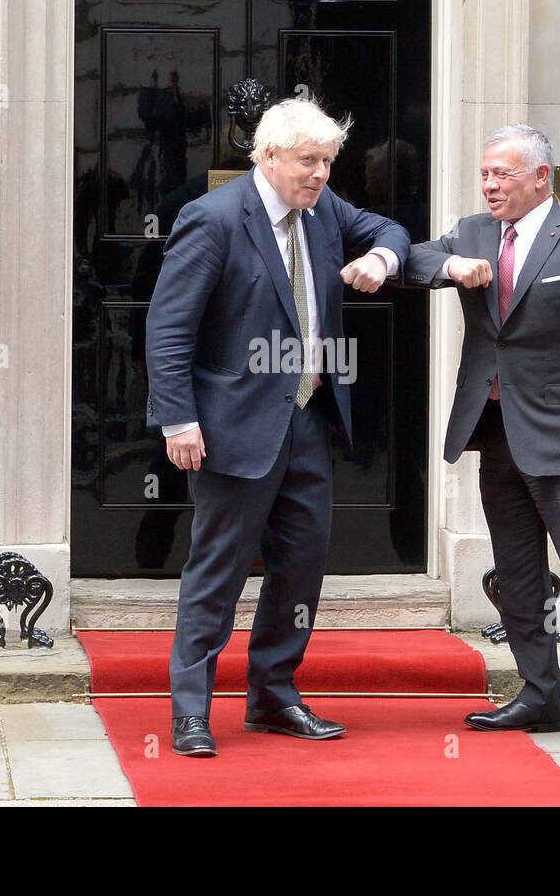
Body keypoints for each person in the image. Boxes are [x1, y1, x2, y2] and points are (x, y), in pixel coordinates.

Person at [145, 99, 410, 757]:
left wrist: (380, 258)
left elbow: (391, 230)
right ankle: (191, 712)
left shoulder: (323, 213)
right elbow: (168, 327)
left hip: (307, 421)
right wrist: (178, 418)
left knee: (301, 567)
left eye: (327, 161)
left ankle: (273, 693)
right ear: (267, 157)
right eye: (308, 161)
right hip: (231, 426)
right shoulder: (211, 219)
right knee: (217, 572)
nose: (321, 174)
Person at [403, 123, 560, 747]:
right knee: (518, 573)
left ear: (540, 177)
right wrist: (452, 263)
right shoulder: (471, 232)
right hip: (495, 434)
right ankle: (539, 695)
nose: (490, 184)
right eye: (486, 173)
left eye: (503, 174)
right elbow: (413, 260)